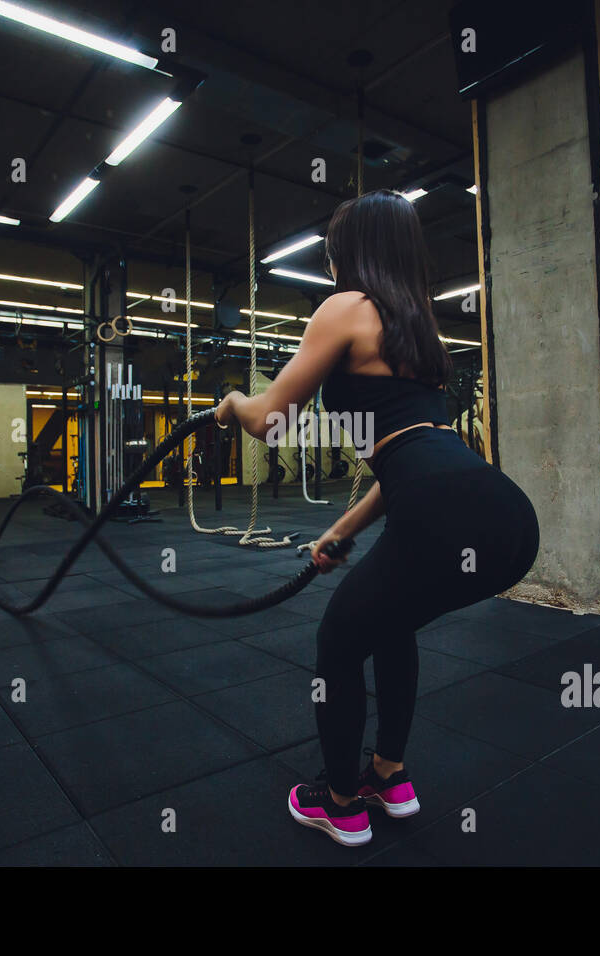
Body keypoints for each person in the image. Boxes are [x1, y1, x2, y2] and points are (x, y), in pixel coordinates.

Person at [215, 189, 540, 847]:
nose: (332, 261)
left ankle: (339, 802)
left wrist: (230, 403)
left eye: (335, 250)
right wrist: (342, 532)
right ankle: (389, 776)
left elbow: (272, 422)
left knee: (337, 642)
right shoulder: (418, 326)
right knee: (392, 625)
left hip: (440, 511)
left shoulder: (343, 308)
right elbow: (408, 461)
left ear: (349, 253)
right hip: (505, 514)